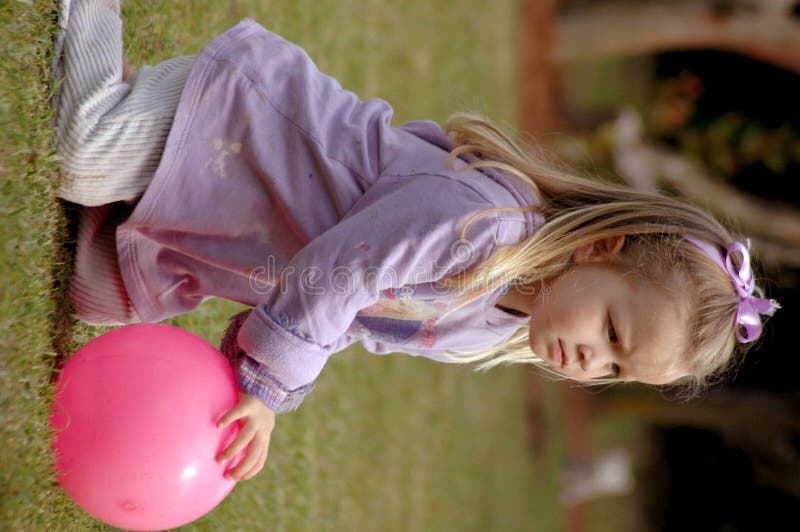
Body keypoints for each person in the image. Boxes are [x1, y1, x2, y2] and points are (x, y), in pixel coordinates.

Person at [52, 0, 779, 482]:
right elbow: (338, 276)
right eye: (614, 329)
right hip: (233, 137)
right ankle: (119, 105)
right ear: (601, 248)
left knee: (93, 296)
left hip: (232, 234)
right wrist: (268, 388)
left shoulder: (490, 328)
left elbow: (356, 321)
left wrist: (243, 357)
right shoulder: (483, 225)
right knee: (79, 156)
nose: (593, 360)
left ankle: (129, 168)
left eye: (616, 369)